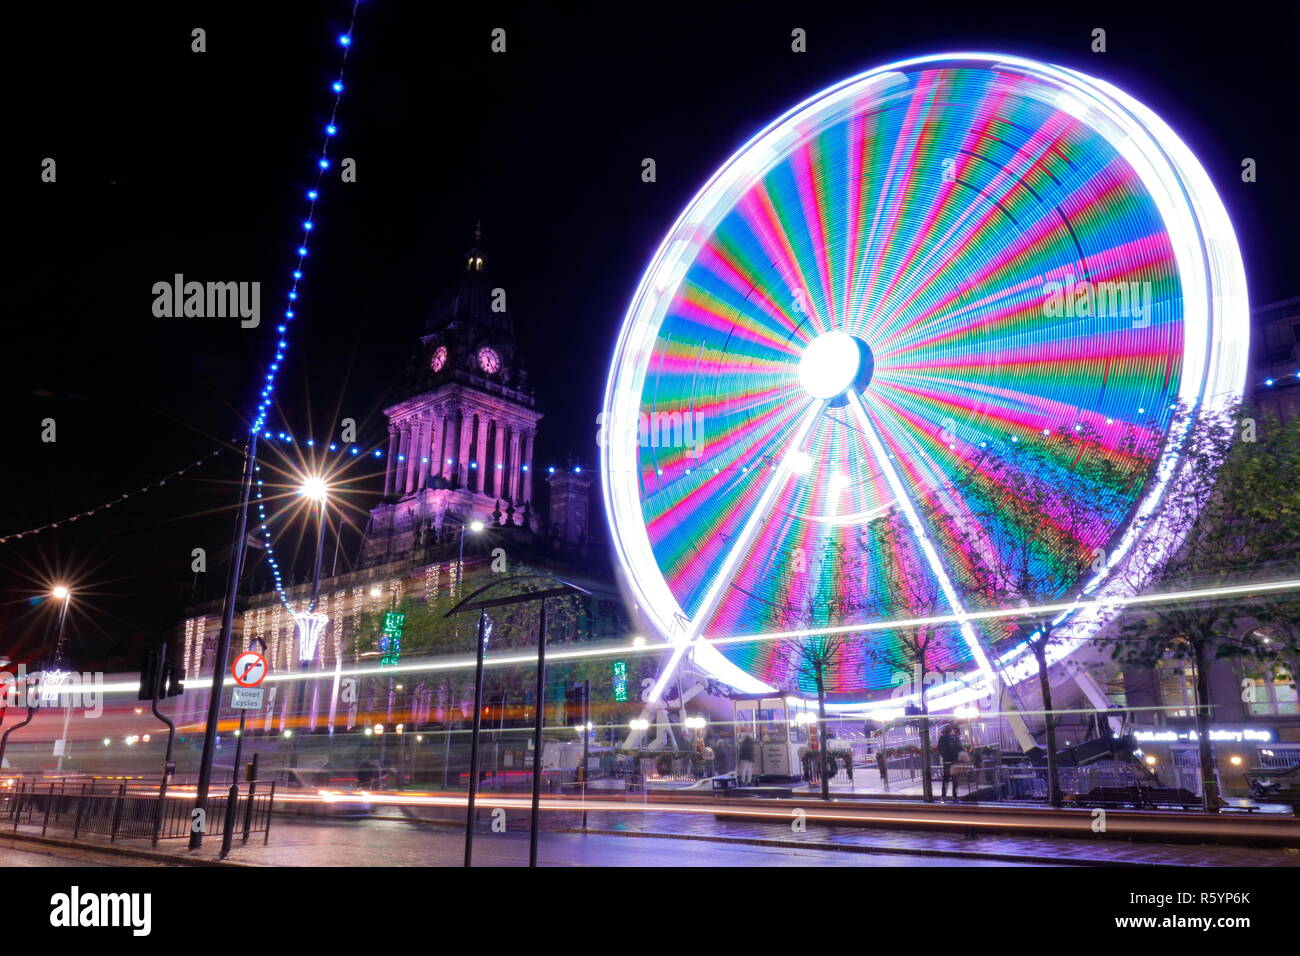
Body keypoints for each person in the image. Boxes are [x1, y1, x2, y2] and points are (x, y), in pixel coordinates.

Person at [937, 723, 964, 801]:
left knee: (945, 780)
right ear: (951, 730)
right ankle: (954, 797)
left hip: (946, 762)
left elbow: (939, 749)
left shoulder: (941, 738)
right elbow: (960, 748)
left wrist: (944, 756)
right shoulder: (955, 738)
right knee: (955, 781)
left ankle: (943, 796)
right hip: (955, 762)